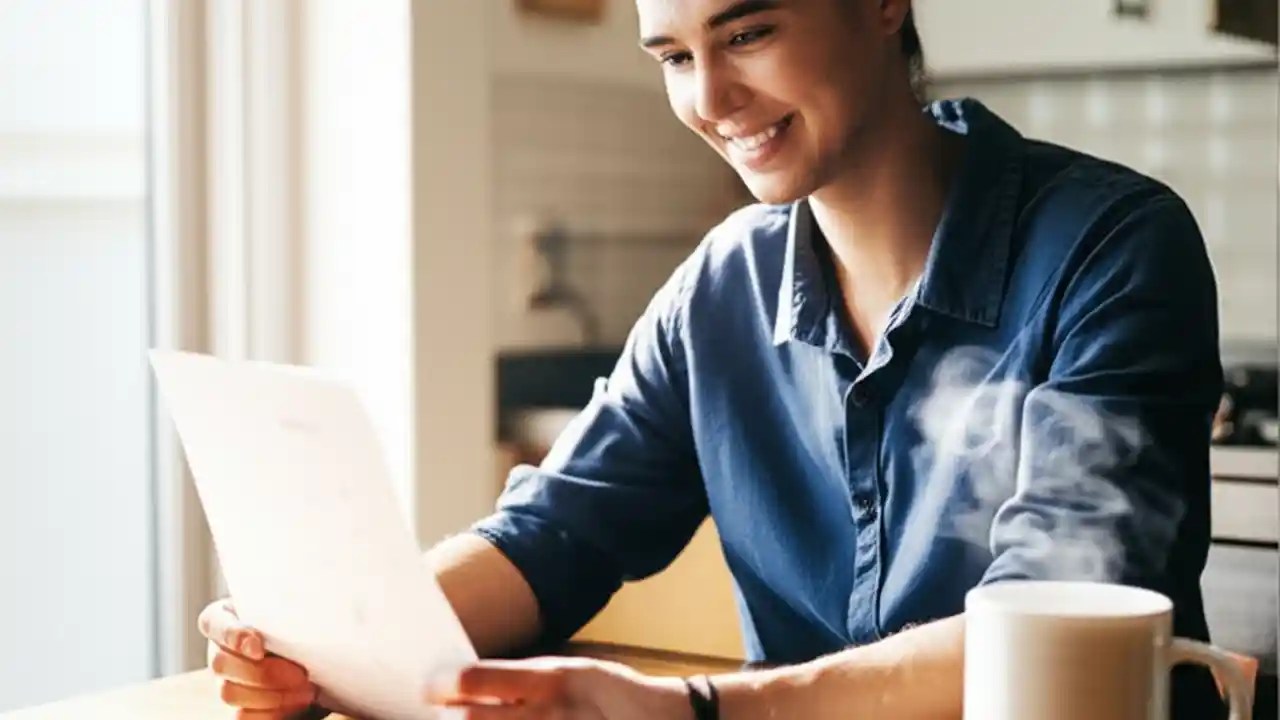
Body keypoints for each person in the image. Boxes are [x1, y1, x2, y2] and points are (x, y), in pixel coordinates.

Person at [199, 1, 1226, 718]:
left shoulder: (1110, 246)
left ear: (881, 2)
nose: (713, 97)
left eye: (747, 31)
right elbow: (551, 535)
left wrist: (689, 710)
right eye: (672, 57)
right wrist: (330, 639)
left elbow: (1044, 631)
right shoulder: (721, 285)